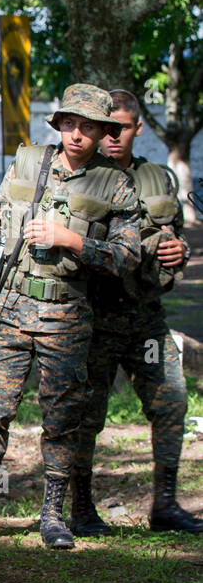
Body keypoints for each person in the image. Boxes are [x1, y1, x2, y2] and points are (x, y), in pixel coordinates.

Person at [0, 84, 140, 549]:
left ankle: (52, 515)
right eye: (69, 124)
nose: (76, 134)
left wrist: (72, 240)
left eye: (87, 127)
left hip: (66, 312)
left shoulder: (116, 184)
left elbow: (128, 258)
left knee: (62, 415)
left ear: (102, 132)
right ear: (58, 125)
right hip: (9, 306)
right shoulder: (29, 162)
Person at [71, 88, 201, 535]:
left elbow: (176, 236)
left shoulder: (159, 178)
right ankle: (82, 508)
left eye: (121, 127)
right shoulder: (81, 177)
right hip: (93, 315)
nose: (111, 137)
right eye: (104, 128)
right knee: (87, 413)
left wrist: (178, 251)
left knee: (171, 401)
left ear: (137, 127)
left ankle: (165, 504)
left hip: (145, 314)